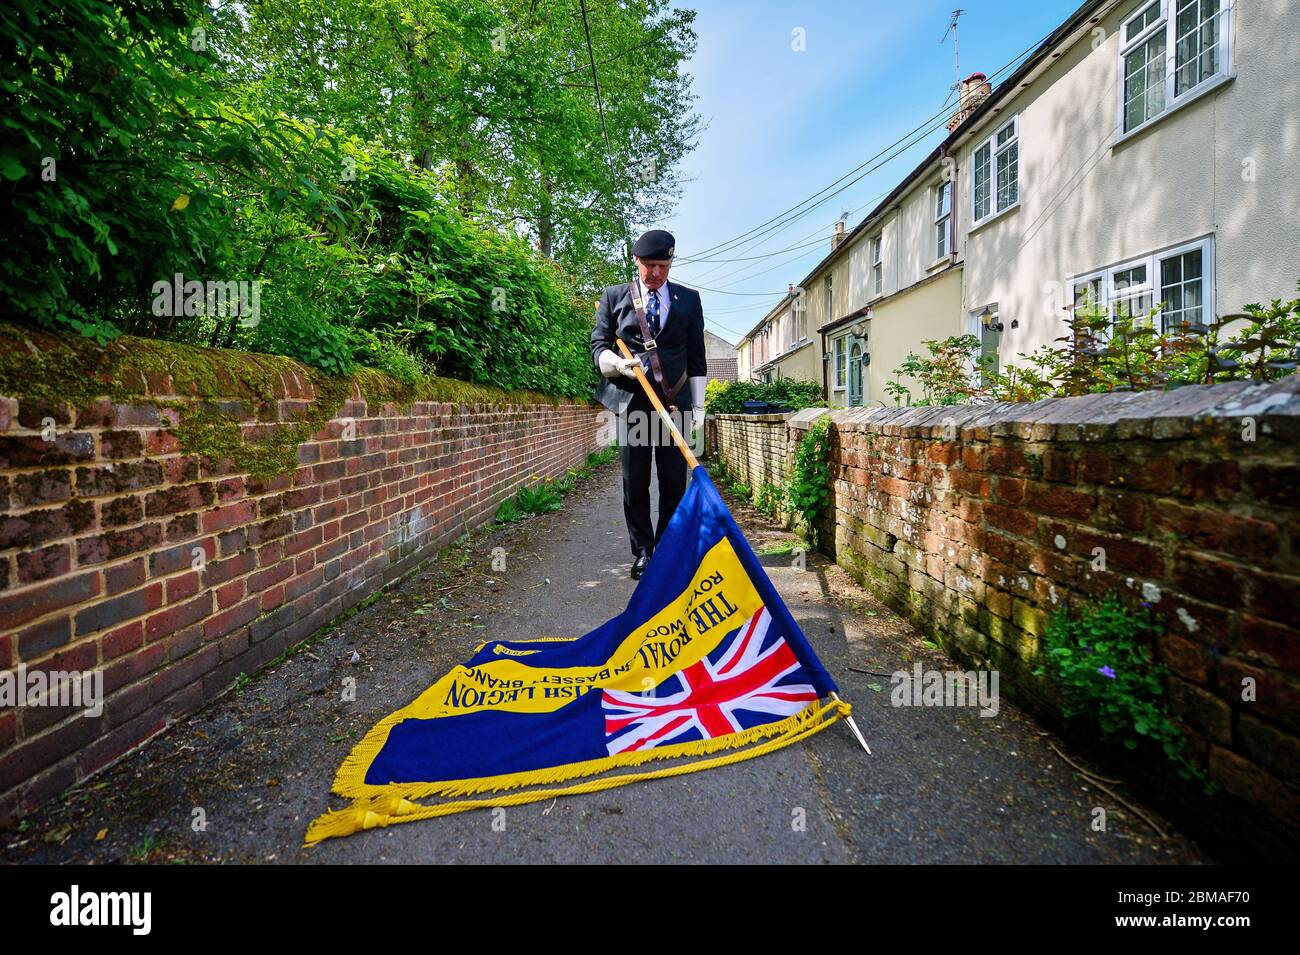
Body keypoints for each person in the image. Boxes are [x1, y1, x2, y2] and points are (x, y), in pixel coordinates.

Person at [590, 229, 707, 579]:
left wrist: (698, 408)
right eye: (649, 265)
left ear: (671, 263)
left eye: (663, 265)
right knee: (635, 480)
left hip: (675, 405)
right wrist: (617, 364)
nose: (656, 273)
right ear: (636, 261)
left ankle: (667, 552)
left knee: (674, 481)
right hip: (633, 405)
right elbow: (598, 345)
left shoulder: (689, 299)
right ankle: (643, 551)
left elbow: (696, 357)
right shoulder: (614, 297)